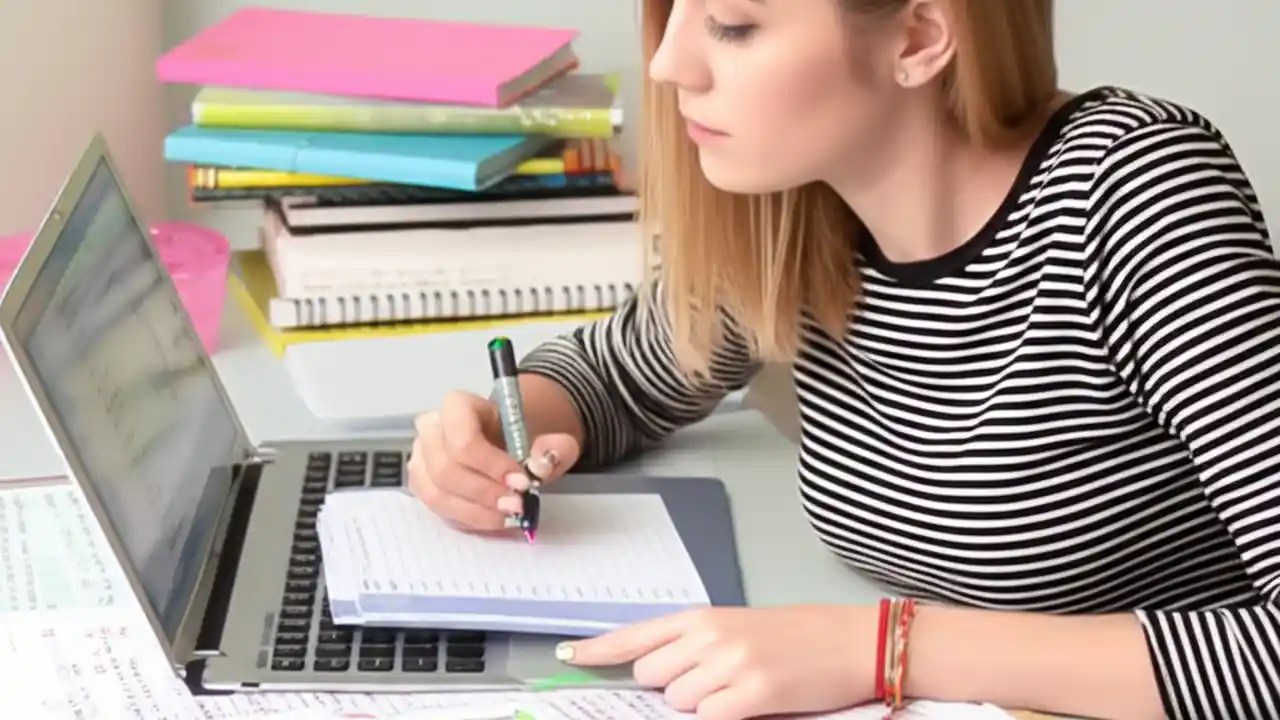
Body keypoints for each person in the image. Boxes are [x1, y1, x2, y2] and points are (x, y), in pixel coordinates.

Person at [406, 0, 1280, 718]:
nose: (670, 64)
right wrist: (495, 431)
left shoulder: (1134, 192)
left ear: (919, 36)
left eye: (732, 26)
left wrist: (884, 647)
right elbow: (620, 381)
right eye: (671, 14)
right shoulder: (807, 199)